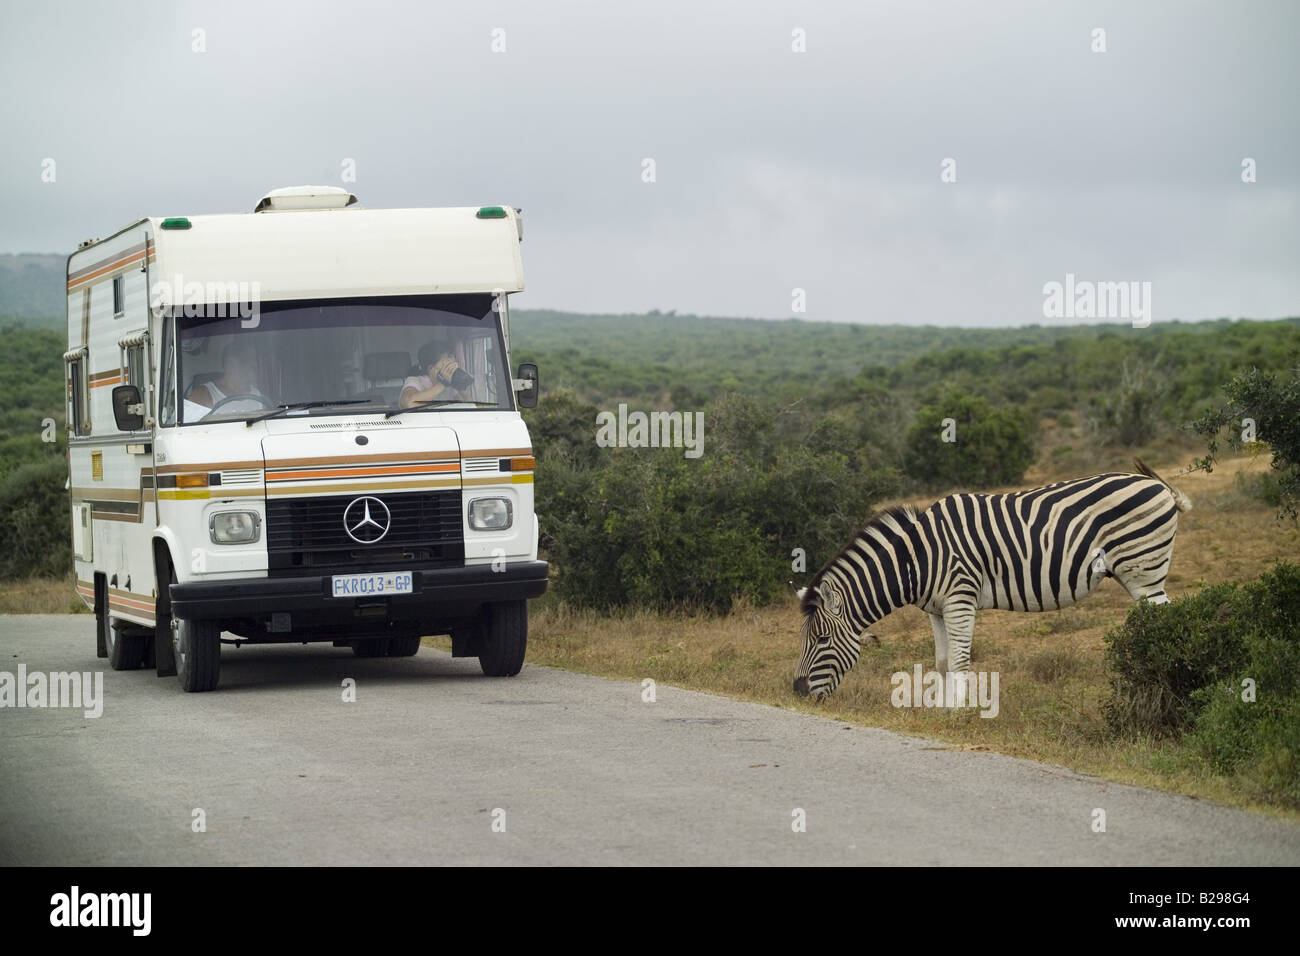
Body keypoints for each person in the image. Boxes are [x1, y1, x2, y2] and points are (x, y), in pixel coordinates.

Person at [189, 338, 266, 410]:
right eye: (249, 360)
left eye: (254, 361)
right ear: (231, 364)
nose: (254, 365)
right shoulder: (202, 394)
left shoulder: (256, 394)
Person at [399, 333, 471, 407]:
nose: (451, 365)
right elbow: (408, 403)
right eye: (446, 363)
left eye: (452, 359)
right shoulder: (414, 381)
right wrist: (442, 384)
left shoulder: (450, 385)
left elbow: (470, 405)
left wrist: (461, 385)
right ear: (431, 368)